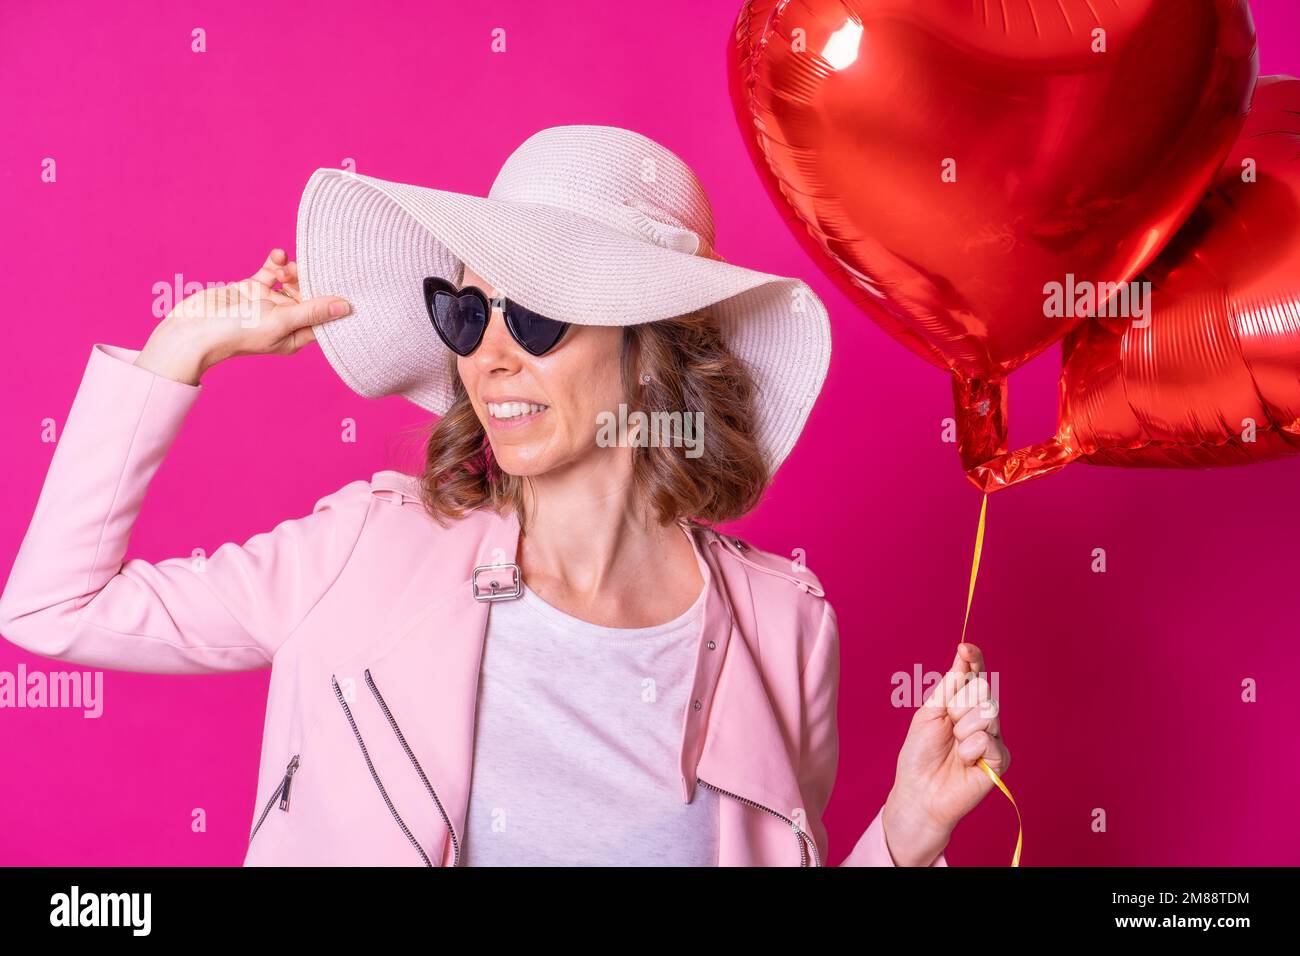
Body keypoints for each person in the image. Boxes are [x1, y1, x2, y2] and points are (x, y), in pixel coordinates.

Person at [0, 125, 1008, 866]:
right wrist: (181, 347)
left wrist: (905, 834)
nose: (484, 352)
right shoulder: (365, 548)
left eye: (531, 313)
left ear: (650, 357)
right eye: (465, 308)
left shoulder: (783, 622)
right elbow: (50, 606)